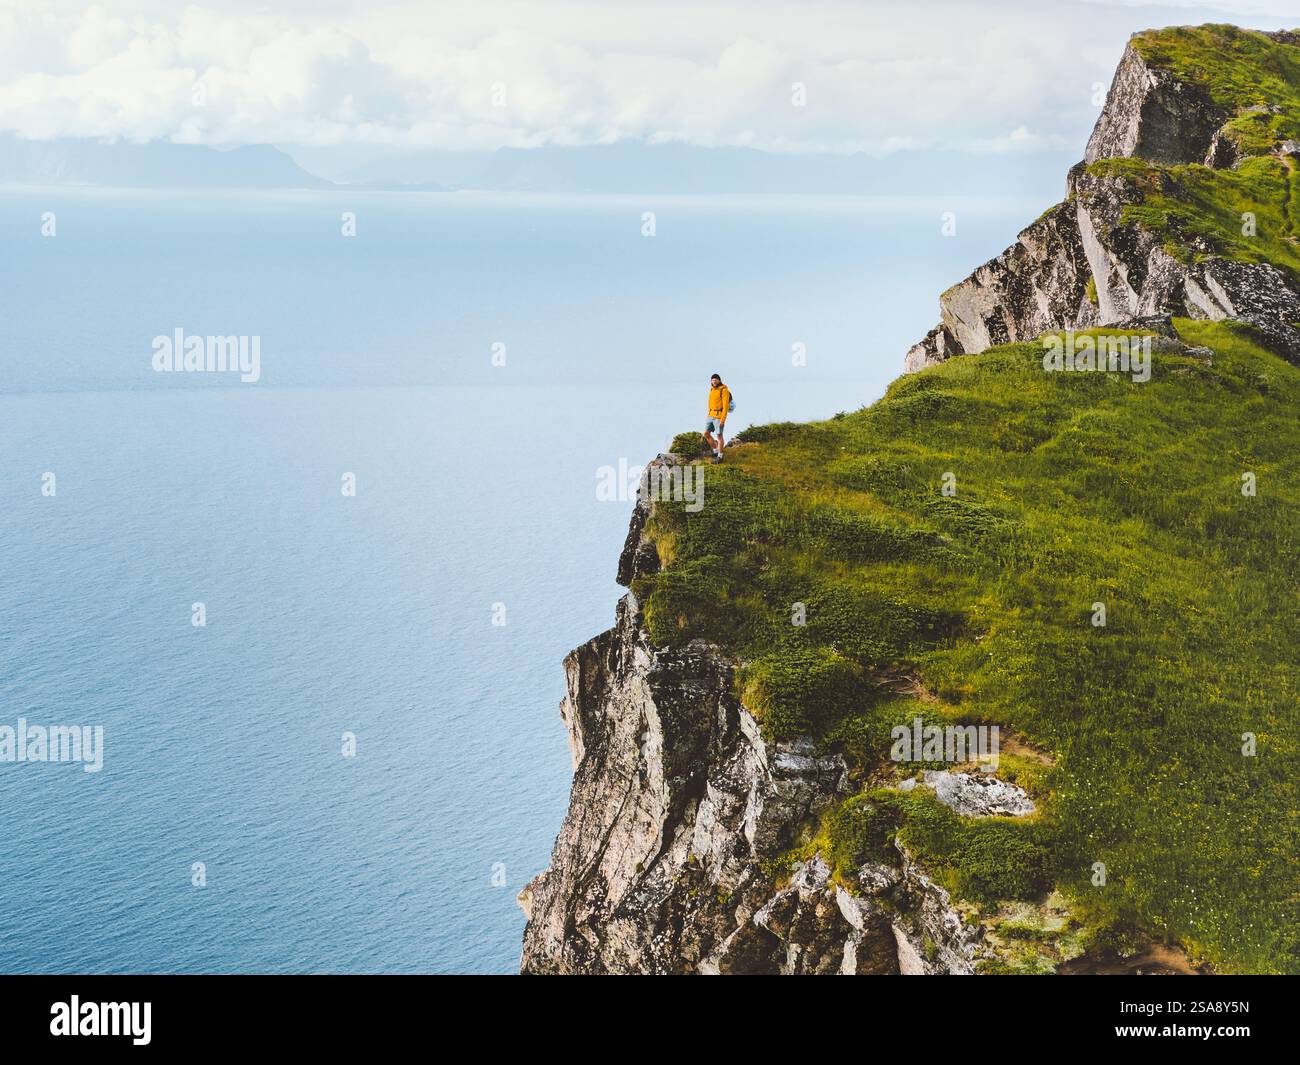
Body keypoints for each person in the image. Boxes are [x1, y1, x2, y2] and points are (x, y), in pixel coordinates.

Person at [703, 372, 731, 463]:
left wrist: (723, 420)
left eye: (715, 380)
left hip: (719, 416)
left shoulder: (724, 390)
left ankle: (720, 456)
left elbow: (725, 406)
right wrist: (709, 414)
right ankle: (715, 451)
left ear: (719, 380)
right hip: (710, 415)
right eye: (712, 380)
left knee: (719, 436)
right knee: (706, 434)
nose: (714, 381)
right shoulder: (712, 389)